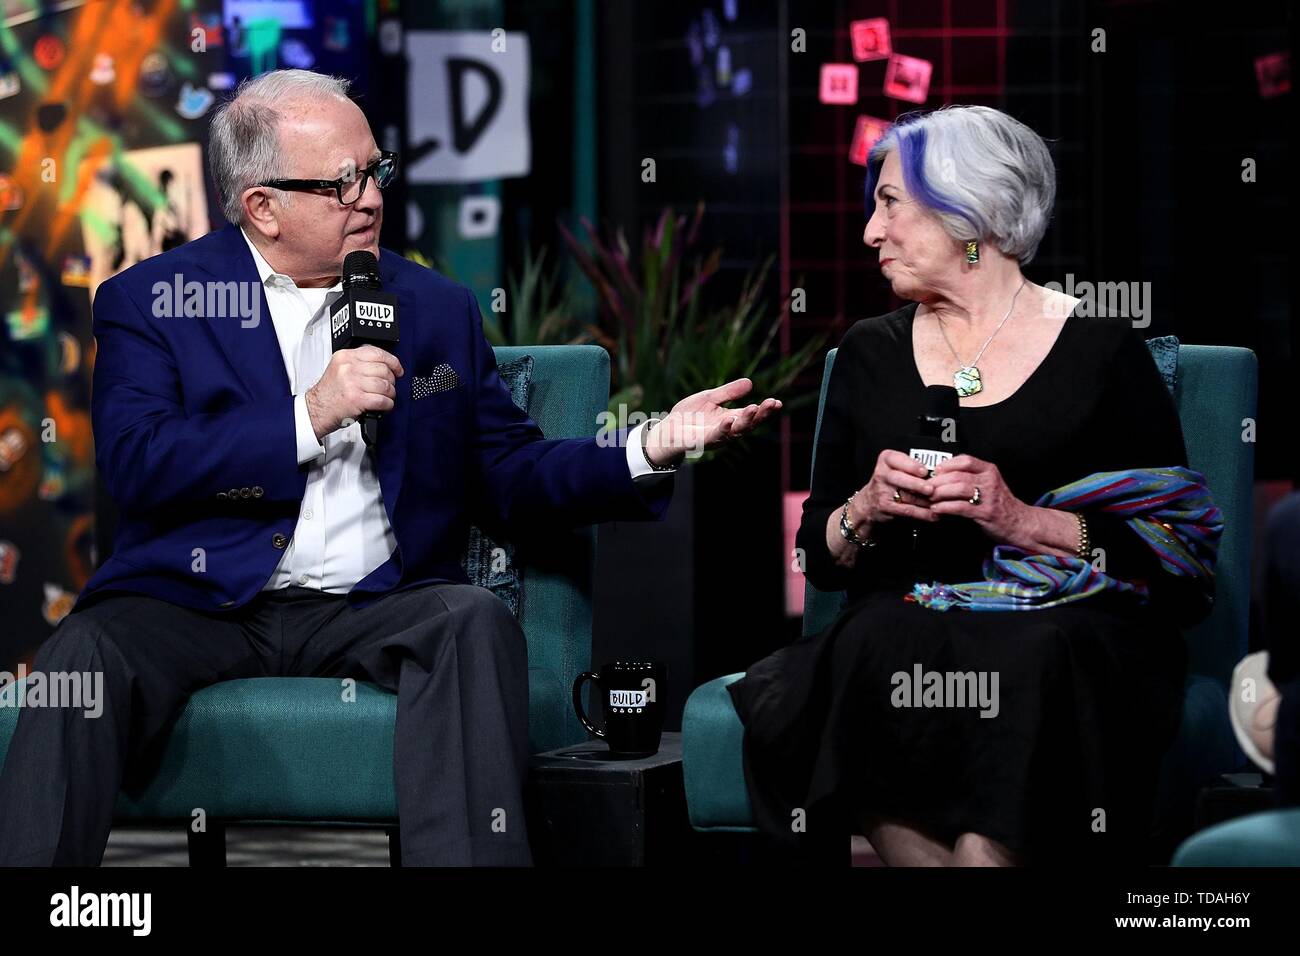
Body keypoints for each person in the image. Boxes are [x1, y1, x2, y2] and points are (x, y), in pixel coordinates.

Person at [0, 69, 780, 867]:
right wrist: (309, 414)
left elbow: (509, 469)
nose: (370, 198)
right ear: (262, 206)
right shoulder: (154, 299)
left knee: (470, 620)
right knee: (83, 657)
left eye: (375, 171)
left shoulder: (435, 308)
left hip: (372, 602)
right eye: (342, 183)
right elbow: (139, 463)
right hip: (197, 600)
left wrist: (650, 444)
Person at [727, 105, 1219, 866]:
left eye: (890, 204)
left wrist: (1023, 521)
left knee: (1029, 656)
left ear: (968, 212)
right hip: (909, 628)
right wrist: (863, 507)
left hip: (1062, 630)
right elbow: (820, 560)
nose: (870, 232)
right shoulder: (868, 352)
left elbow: (1181, 571)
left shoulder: (1103, 353)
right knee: (873, 637)